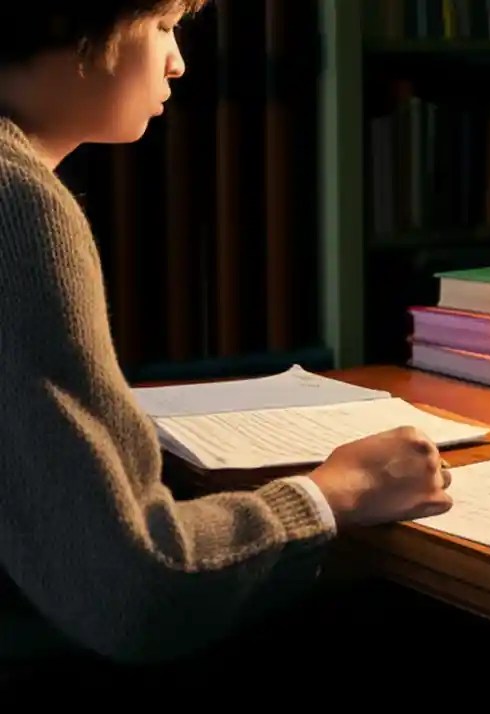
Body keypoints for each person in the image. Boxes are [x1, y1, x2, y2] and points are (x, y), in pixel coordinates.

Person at [0, 0, 455, 677]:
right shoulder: (20, 208)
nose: (178, 61)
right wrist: (336, 491)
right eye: (160, 26)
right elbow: (135, 587)